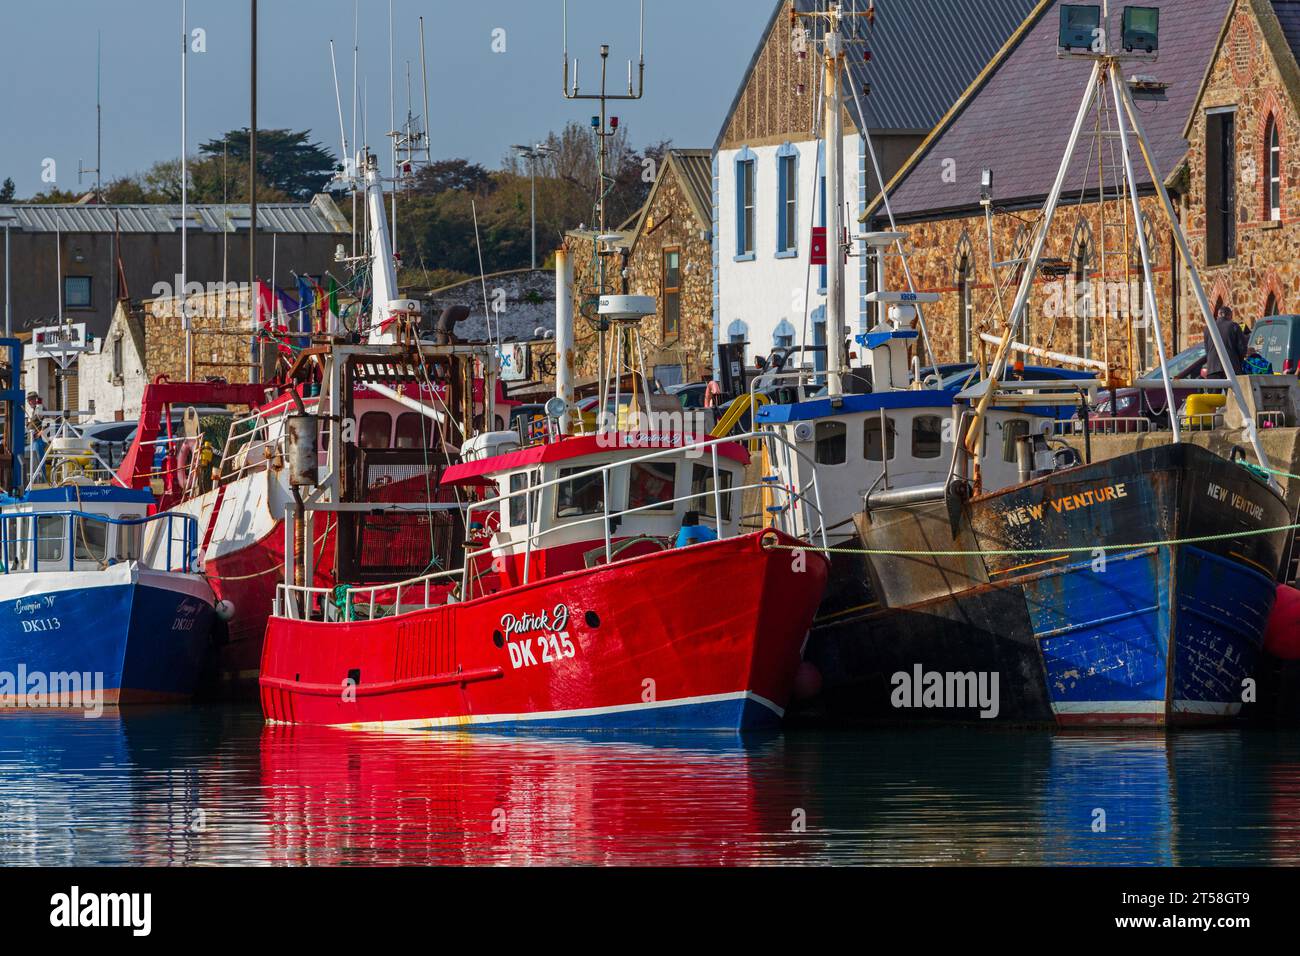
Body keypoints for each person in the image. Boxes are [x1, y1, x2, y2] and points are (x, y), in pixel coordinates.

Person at [1202, 305, 1248, 379]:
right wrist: (1239, 361)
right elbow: (1242, 349)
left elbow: (1207, 350)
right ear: (1229, 315)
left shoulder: (1208, 328)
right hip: (1231, 368)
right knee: (1234, 390)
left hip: (1213, 369)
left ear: (1218, 315)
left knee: (1214, 390)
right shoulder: (1234, 326)